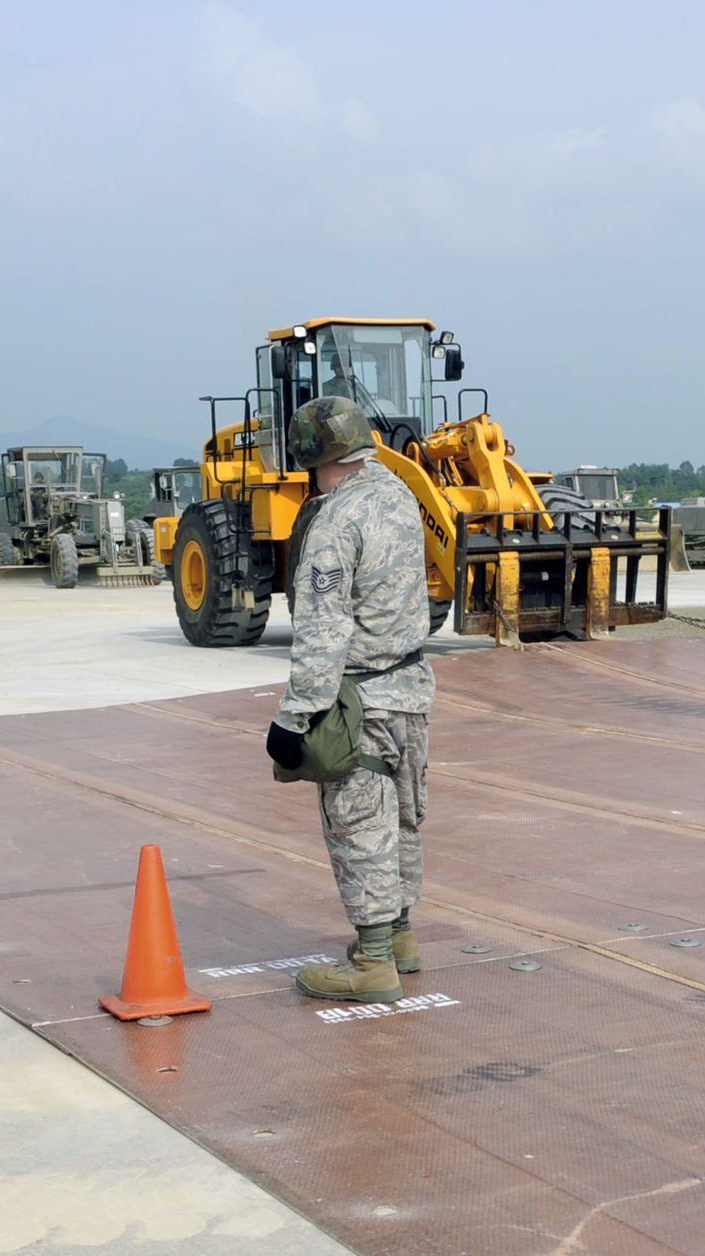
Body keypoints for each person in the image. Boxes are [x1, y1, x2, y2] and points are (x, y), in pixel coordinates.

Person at [264, 397, 435, 1004]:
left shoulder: (336, 521)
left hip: (359, 699)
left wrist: (294, 716)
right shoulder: (398, 496)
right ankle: (402, 937)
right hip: (411, 690)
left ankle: (373, 962)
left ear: (309, 454)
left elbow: (322, 626)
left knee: (360, 823)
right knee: (402, 818)